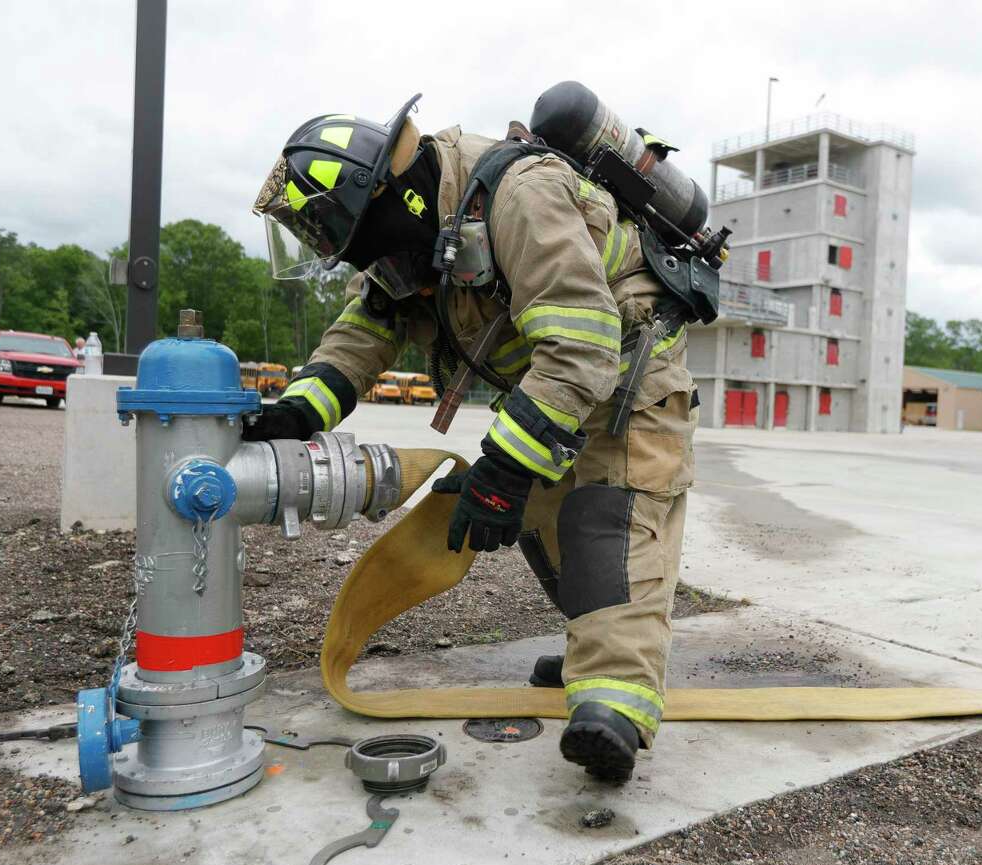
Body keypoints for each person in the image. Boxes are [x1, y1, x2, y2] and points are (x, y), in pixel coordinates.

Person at [246, 96, 698, 782]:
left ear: (390, 203)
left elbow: (582, 346)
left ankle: (614, 706)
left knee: (609, 518)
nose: (366, 266)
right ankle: (593, 652)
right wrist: (296, 415)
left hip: (632, 362)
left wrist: (503, 467)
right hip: (566, 375)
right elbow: (366, 331)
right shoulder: (414, 235)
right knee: (544, 515)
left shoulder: (521, 195)